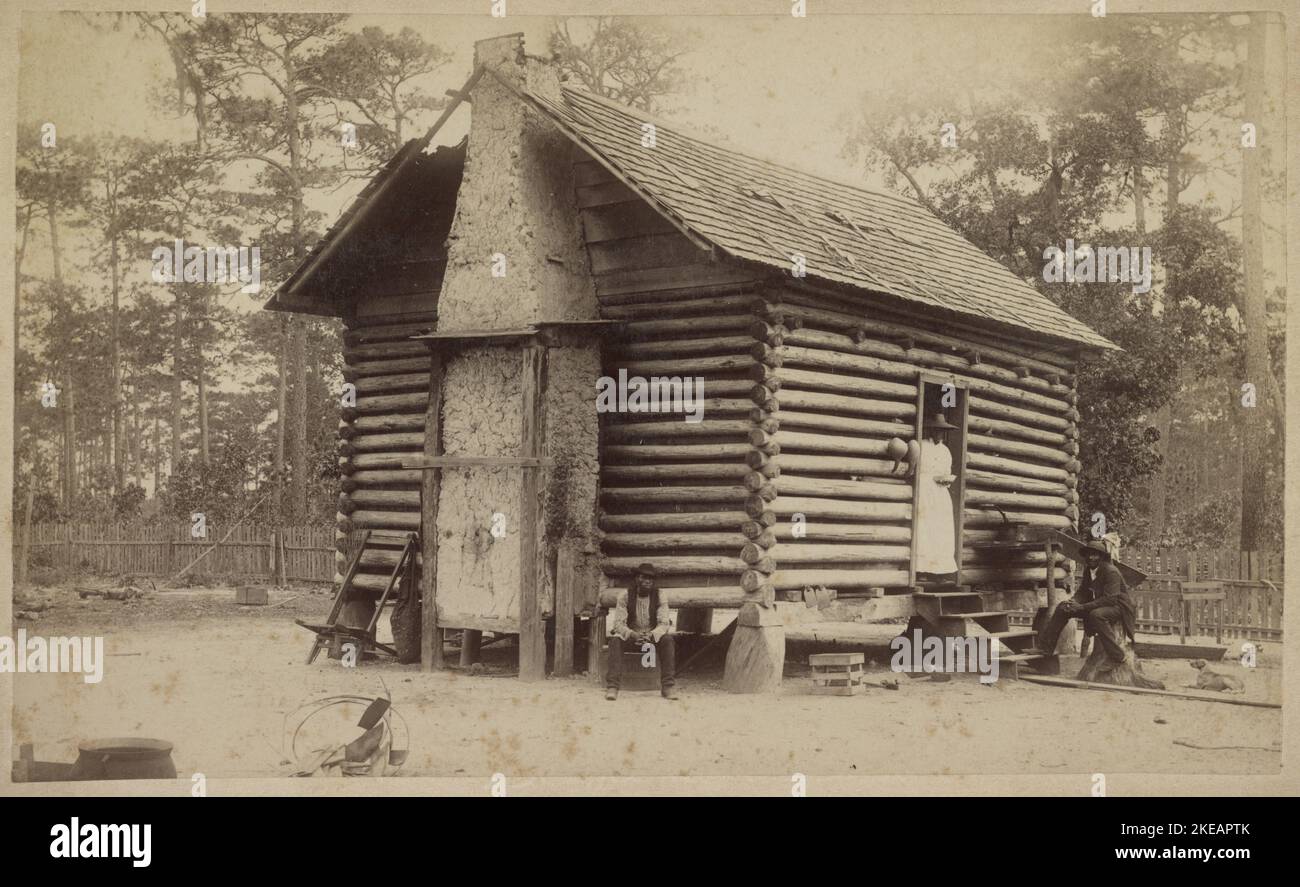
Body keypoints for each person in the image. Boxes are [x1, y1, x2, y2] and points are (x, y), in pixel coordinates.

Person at [1036, 539, 1136, 664]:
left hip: (1118, 607)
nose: (1091, 558)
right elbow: (1083, 591)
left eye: (1095, 554)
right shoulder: (1089, 570)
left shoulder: (1111, 571)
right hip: (1099, 604)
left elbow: (1110, 599)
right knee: (1063, 607)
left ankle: (1119, 656)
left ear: (1101, 557)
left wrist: (1082, 607)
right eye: (1088, 554)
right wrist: (1073, 601)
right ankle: (1046, 648)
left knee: (1097, 615)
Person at [606, 563, 678, 701]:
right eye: (644, 577)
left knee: (668, 640)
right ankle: (613, 686)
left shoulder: (660, 595)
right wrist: (632, 634)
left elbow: (664, 623)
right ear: (636, 579)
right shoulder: (625, 596)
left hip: (652, 638)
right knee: (615, 641)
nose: (648, 581)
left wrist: (652, 634)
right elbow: (618, 624)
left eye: (651, 578)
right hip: (632, 637)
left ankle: (668, 686)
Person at [913, 413, 959, 584]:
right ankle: (922, 571)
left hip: (940, 492)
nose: (940, 434)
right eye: (937, 430)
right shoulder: (921, 446)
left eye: (942, 431)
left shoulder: (945, 451)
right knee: (924, 529)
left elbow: (945, 472)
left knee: (941, 530)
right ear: (931, 430)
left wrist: (946, 479)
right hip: (924, 490)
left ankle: (940, 572)